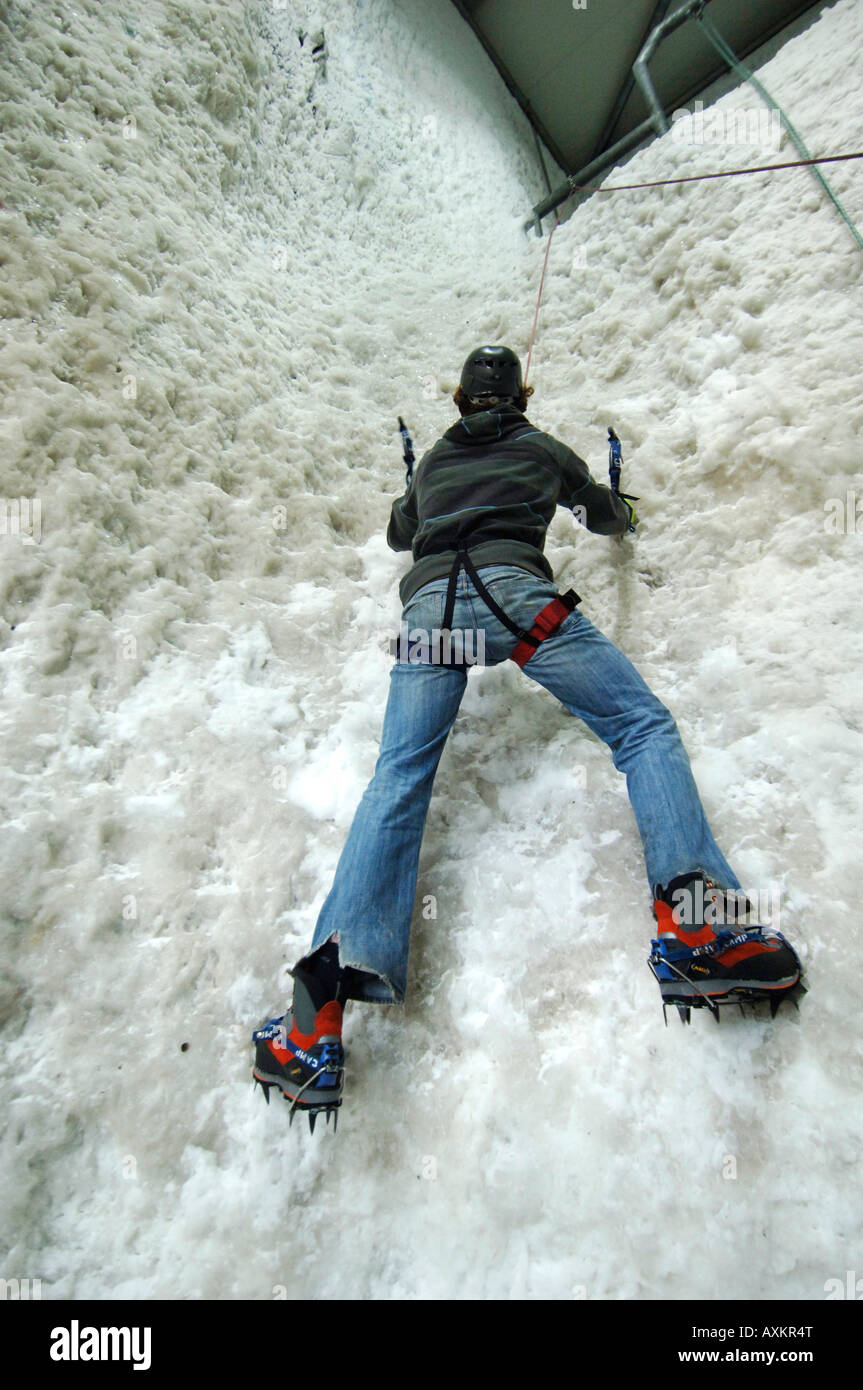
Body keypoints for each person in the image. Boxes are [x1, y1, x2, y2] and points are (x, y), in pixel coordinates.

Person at [252, 345, 803, 1131]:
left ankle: (312, 1019)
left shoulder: (434, 459)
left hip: (430, 620)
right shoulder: (541, 447)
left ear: (458, 399)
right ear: (521, 396)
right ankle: (698, 925)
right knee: (639, 725)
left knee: (398, 777)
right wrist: (623, 509)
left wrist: (418, 485)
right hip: (518, 603)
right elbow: (600, 515)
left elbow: (399, 534)